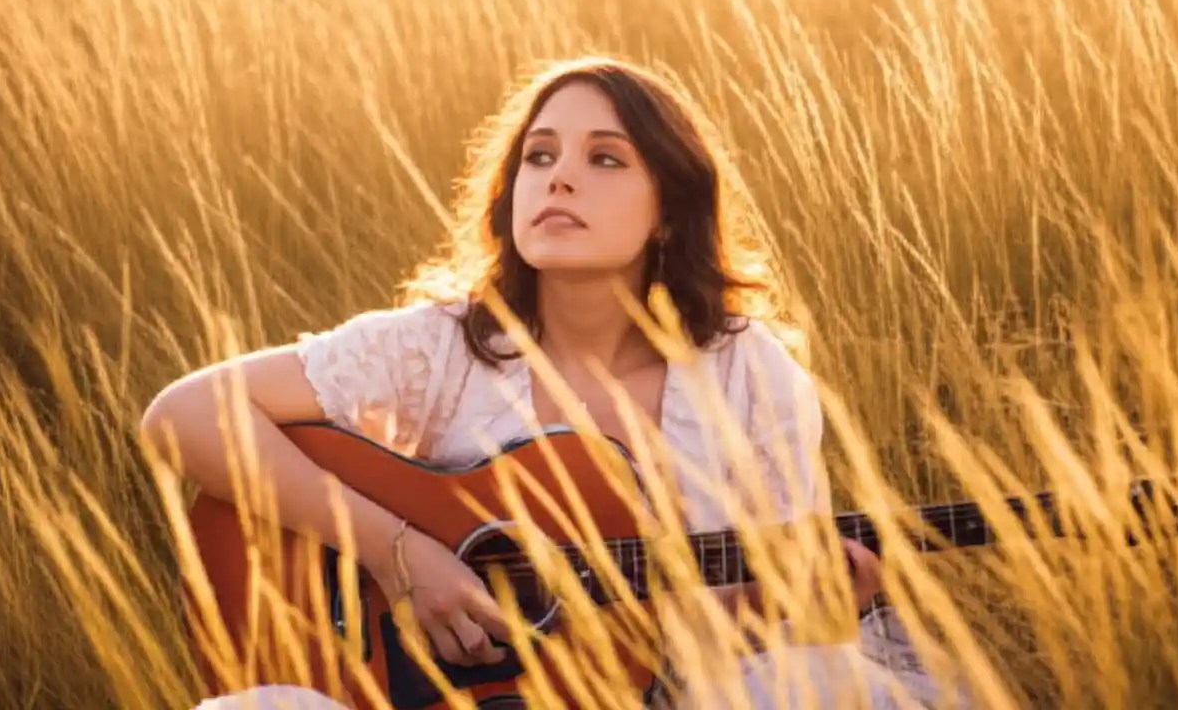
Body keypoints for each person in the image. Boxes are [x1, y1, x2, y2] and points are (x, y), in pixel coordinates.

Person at [144, 56, 944, 710]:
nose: (560, 179)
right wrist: (400, 554)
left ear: (669, 211)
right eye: (540, 156)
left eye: (605, 158)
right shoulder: (443, 345)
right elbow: (182, 416)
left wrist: (813, 604)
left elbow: (744, 635)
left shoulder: (746, 370)